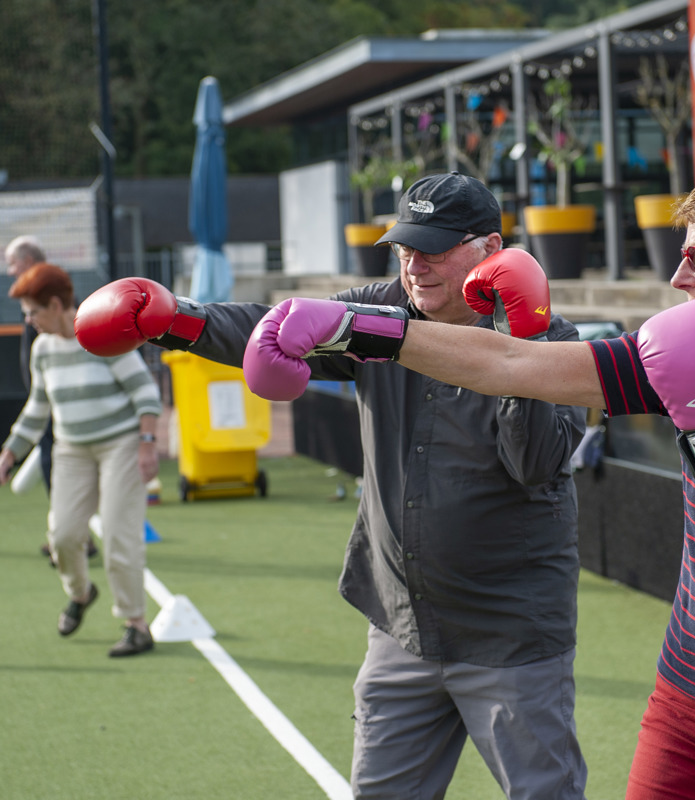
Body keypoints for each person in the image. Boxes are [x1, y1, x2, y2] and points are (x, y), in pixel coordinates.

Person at [232, 158, 695, 799]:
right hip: (689, 704)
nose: (677, 278)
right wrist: (360, 330)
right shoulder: (686, 352)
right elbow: (507, 362)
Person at [73, 173, 589, 798]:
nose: (415, 265)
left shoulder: (555, 341)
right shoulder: (380, 311)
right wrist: (178, 321)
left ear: (491, 250)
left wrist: (524, 343)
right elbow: (276, 326)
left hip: (510, 635)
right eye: (405, 248)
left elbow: (535, 463)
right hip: (403, 627)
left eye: (434, 249)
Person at [0, 263, 161, 657]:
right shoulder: (42, 349)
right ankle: (81, 593)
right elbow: (38, 408)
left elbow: (145, 392)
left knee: (120, 536)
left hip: (120, 445)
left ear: (56, 305)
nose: (29, 320)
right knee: (63, 536)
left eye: (33, 312)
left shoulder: (101, 335)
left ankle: (136, 624)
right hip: (71, 450)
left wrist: (146, 443)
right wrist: (10, 452)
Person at [3, 235, 98, 562]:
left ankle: (76, 534)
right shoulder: (37, 302)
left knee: (55, 464)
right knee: (53, 465)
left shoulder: (52, 295)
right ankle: (66, 534)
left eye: (12, 263)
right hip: (49, 400)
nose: (9, 270)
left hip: (63, 408)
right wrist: (10, 453)